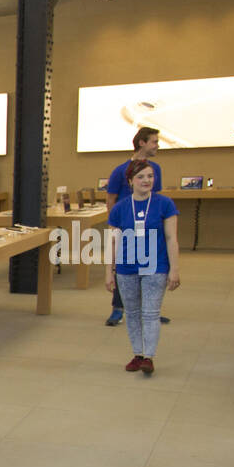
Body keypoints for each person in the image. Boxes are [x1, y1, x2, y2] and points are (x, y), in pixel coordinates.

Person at [106, 160, 180, 375]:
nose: (146, 180)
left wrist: (174, 269)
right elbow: (113, 241)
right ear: (130, 181)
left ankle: (149, 356)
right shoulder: (120, 208)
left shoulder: (164, 204)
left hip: (155, 267)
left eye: (150, 176)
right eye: (141, 177)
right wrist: (109, 272)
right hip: (126, 267)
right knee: (132, 312)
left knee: (150, 312)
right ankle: (138, 353)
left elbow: (171, 238)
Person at [103, 127, 169, 326]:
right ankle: (118, 309)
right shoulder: (120, 170)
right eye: (154, 142)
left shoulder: (155, 169)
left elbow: (155, 197)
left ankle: (150, 310)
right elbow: (110, 198)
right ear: (142, 143)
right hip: (127, 227)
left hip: (149, 227)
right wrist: (115, 224)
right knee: (125, 268)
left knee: (150, 268)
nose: (157, 145)